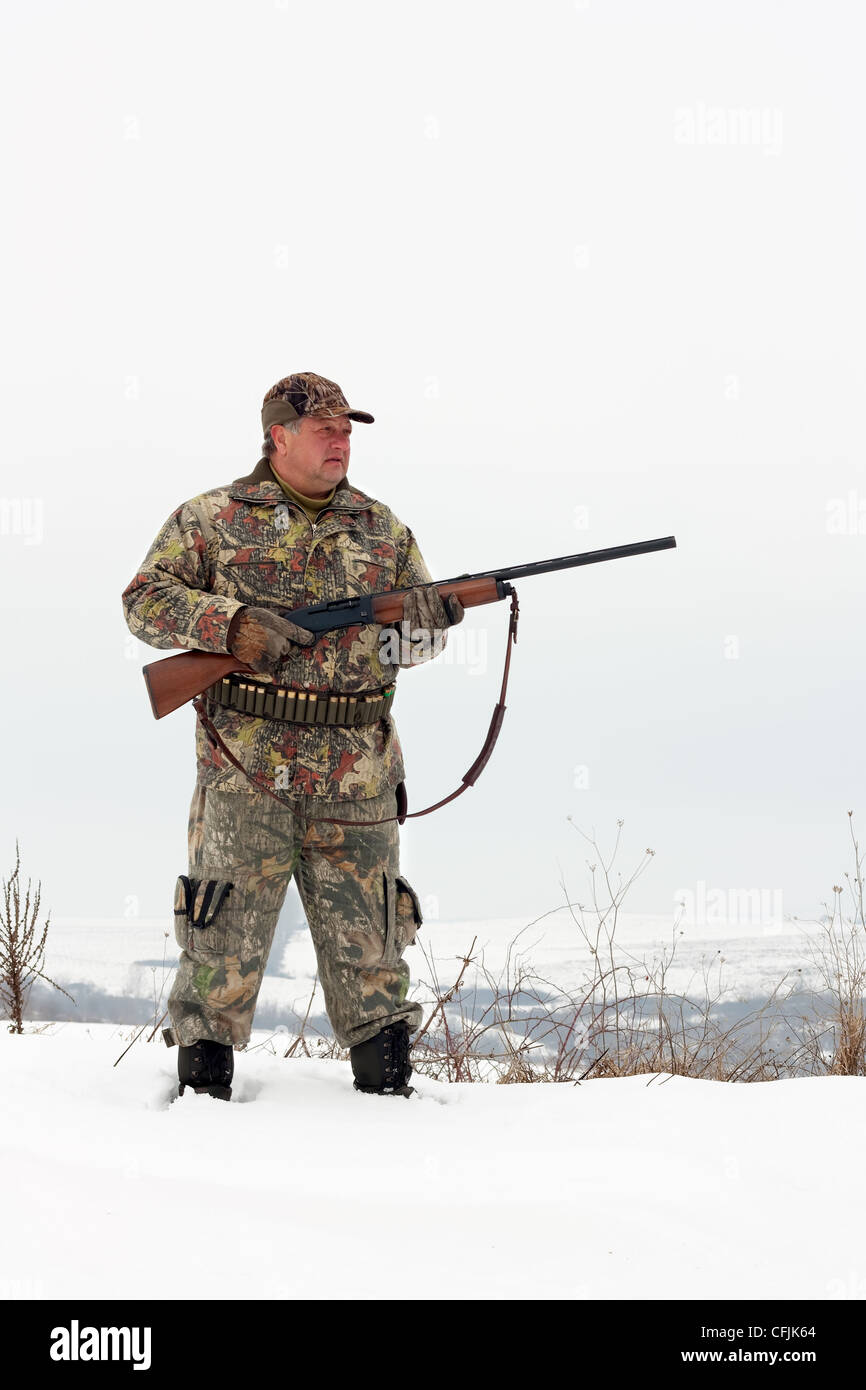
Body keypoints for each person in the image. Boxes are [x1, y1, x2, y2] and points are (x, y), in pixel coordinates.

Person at [121, 371, 463, 1100]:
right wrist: (231, 627)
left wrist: (425, 627)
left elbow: (411, 652)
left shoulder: (382, 528)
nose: (342, 442)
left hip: (357, 780)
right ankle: (200, 1116)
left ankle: (389, 1107)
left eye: (348, 431)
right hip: (246, 774)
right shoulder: (211, 518)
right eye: (326, 430)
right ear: (279, 436)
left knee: (375, 950)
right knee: (220, 950)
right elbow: (145, 603)